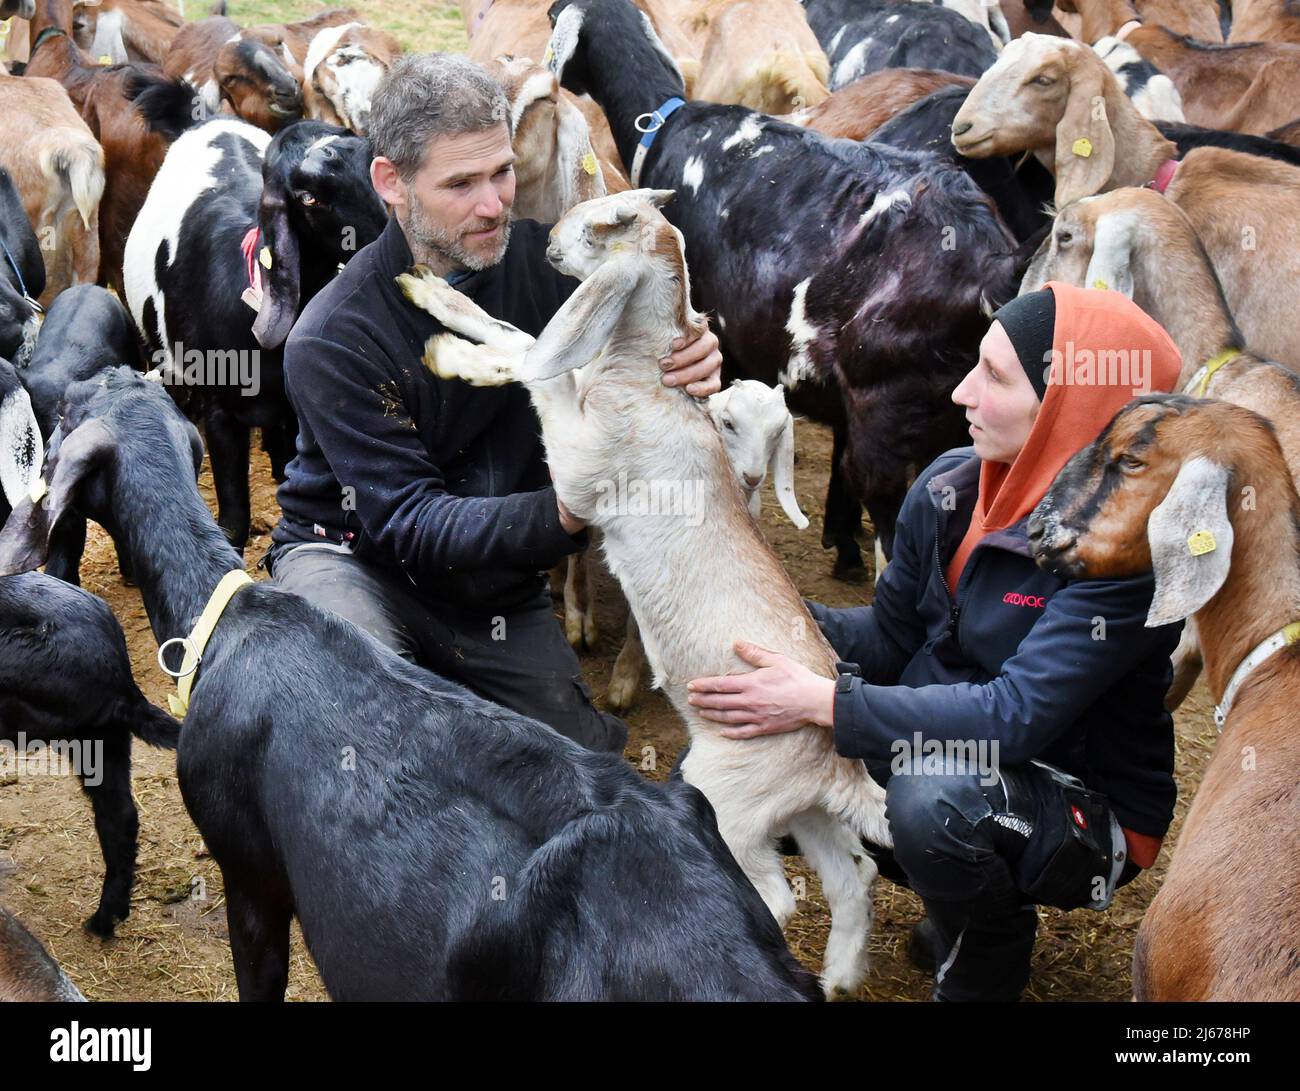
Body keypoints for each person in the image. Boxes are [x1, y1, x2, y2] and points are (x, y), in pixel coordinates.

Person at [686, 283, 1185, 1001]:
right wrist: (762, 618)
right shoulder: (952, 487)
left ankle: (986, 956)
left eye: (995, 377)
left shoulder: (1124, 556)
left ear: (1066, 408)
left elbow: (1015, 715)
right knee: (746, 743)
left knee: (931, 801)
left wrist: (826, 702)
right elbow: (889, 636)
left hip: (1084, 811)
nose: (961, 392)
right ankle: (955, 896)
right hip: (950, 756)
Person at [264, 54, 723, 754]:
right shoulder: (333, 336)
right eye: (460, 184)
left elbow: (659, 339)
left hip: (491, 581)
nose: (493, 204)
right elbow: (410, 522)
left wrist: (692, 355)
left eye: (502, 172)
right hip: (355, 559)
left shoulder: (550, 269)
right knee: (373, 729)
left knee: (577, 763)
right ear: (390, 182)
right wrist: (569, 509)